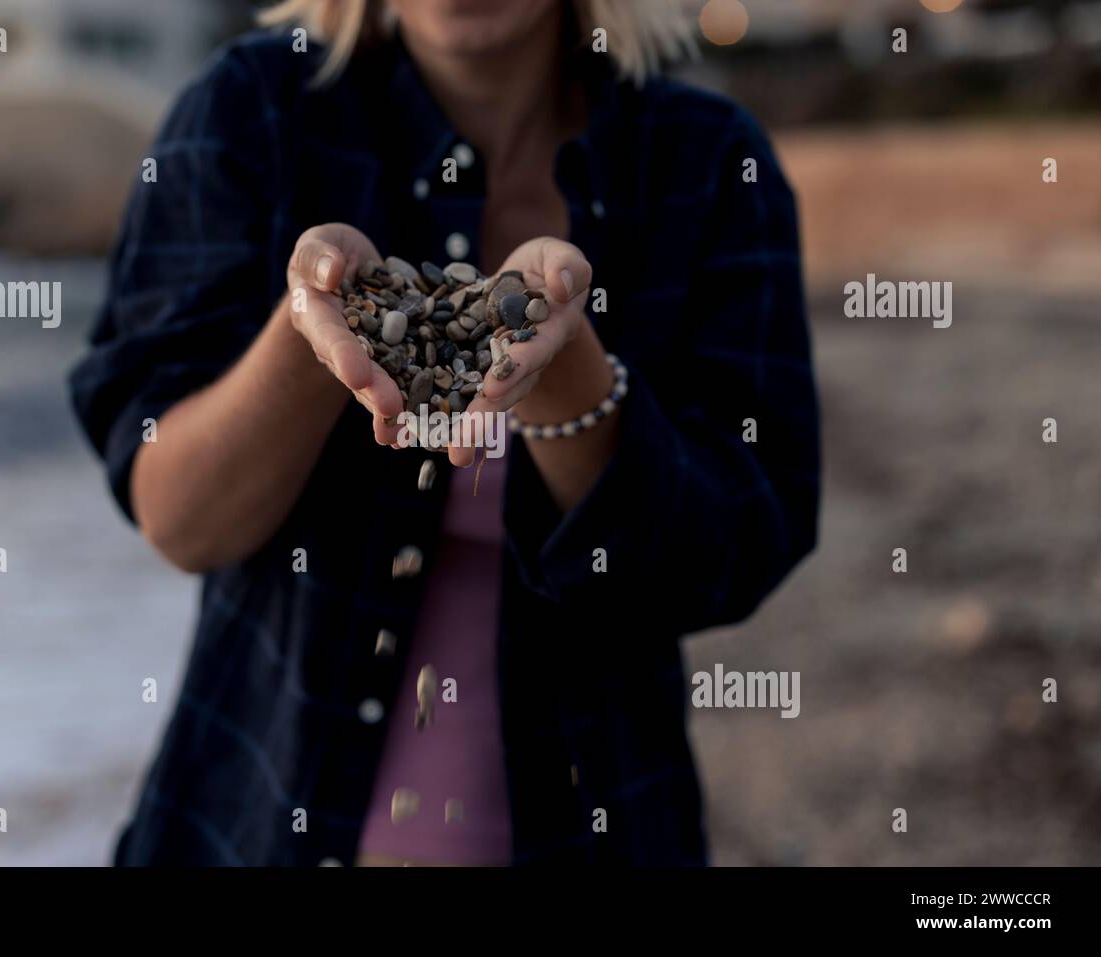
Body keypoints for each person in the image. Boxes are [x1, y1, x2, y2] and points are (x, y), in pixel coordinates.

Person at [68, 0, 820, 866]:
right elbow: (181, 518)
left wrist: (571, 384)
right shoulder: (253, 108)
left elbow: (735, 553)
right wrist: (309, 335)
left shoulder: (706, 161)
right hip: (253, 826)